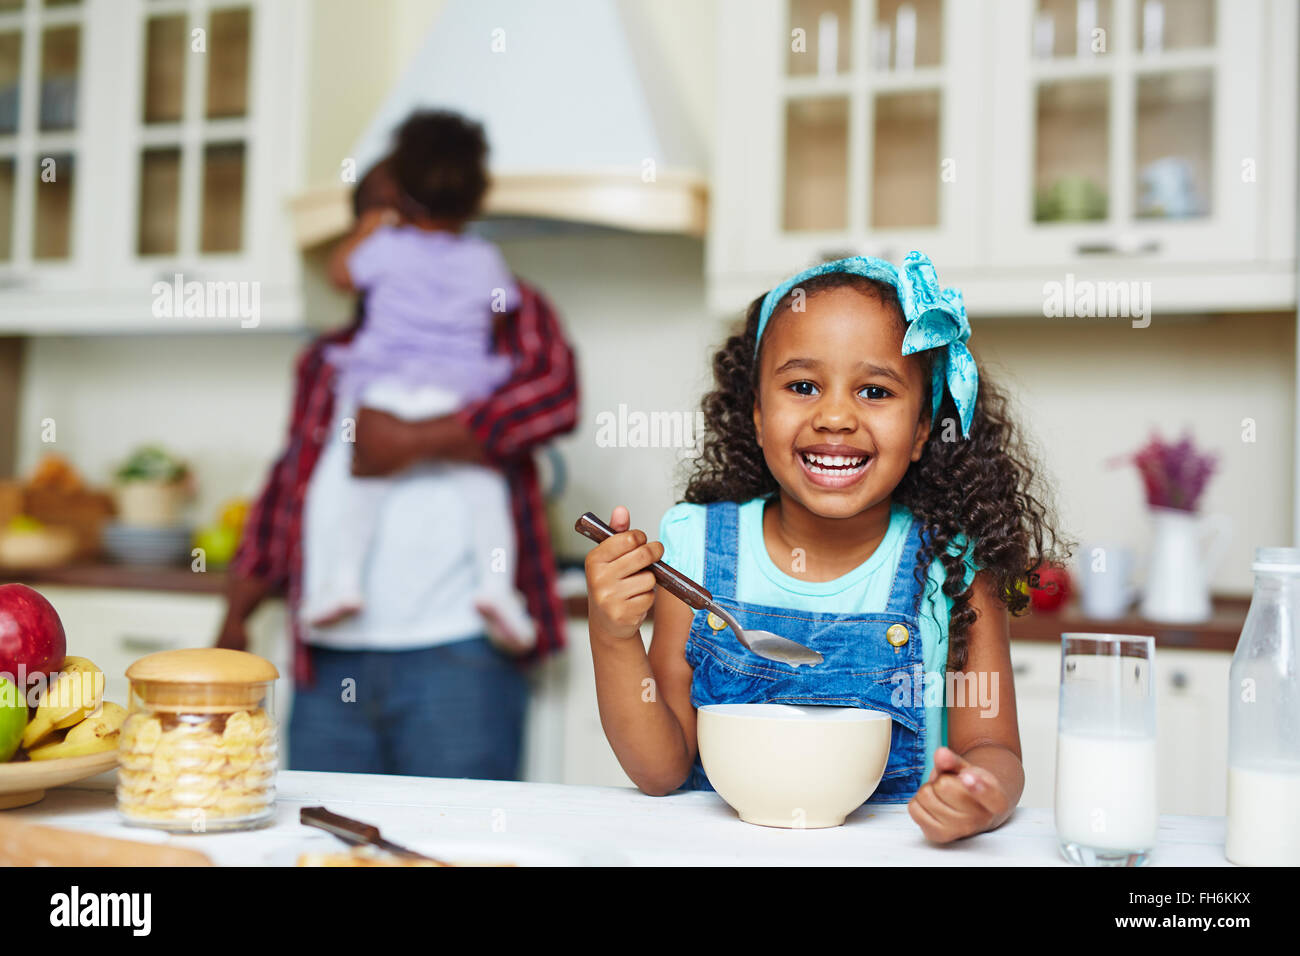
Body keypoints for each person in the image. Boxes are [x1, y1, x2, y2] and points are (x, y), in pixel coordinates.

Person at [583, 252, 1068, 843]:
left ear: (921, 429)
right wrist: (612, 636)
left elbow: (992, 749)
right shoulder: (692, 542)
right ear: (759, 416)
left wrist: (981, 797)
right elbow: (661, 770)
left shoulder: (953, 566)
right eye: (803, 386)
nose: (835, 416)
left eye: (874, 390)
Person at [216, 156, 579, 779]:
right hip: (327, 659)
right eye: (393, 222)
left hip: (462, 655)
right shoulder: (325, 362)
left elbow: (555, 397)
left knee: (455, 847)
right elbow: (287, 489)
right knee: (320, 840)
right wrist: (236, 613)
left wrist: (410, 438)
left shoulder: (502, 315)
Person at [304, 110, 533, 651]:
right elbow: (499, 314)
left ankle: (342, 582)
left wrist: (369, 227)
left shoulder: (383, 249)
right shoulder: (484, 259)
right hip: (455, 391)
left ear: (401, 193)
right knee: (484, 494)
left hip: (384, 385)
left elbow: (340, 274)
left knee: (365, 485)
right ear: (476, 197)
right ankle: (498, 589)